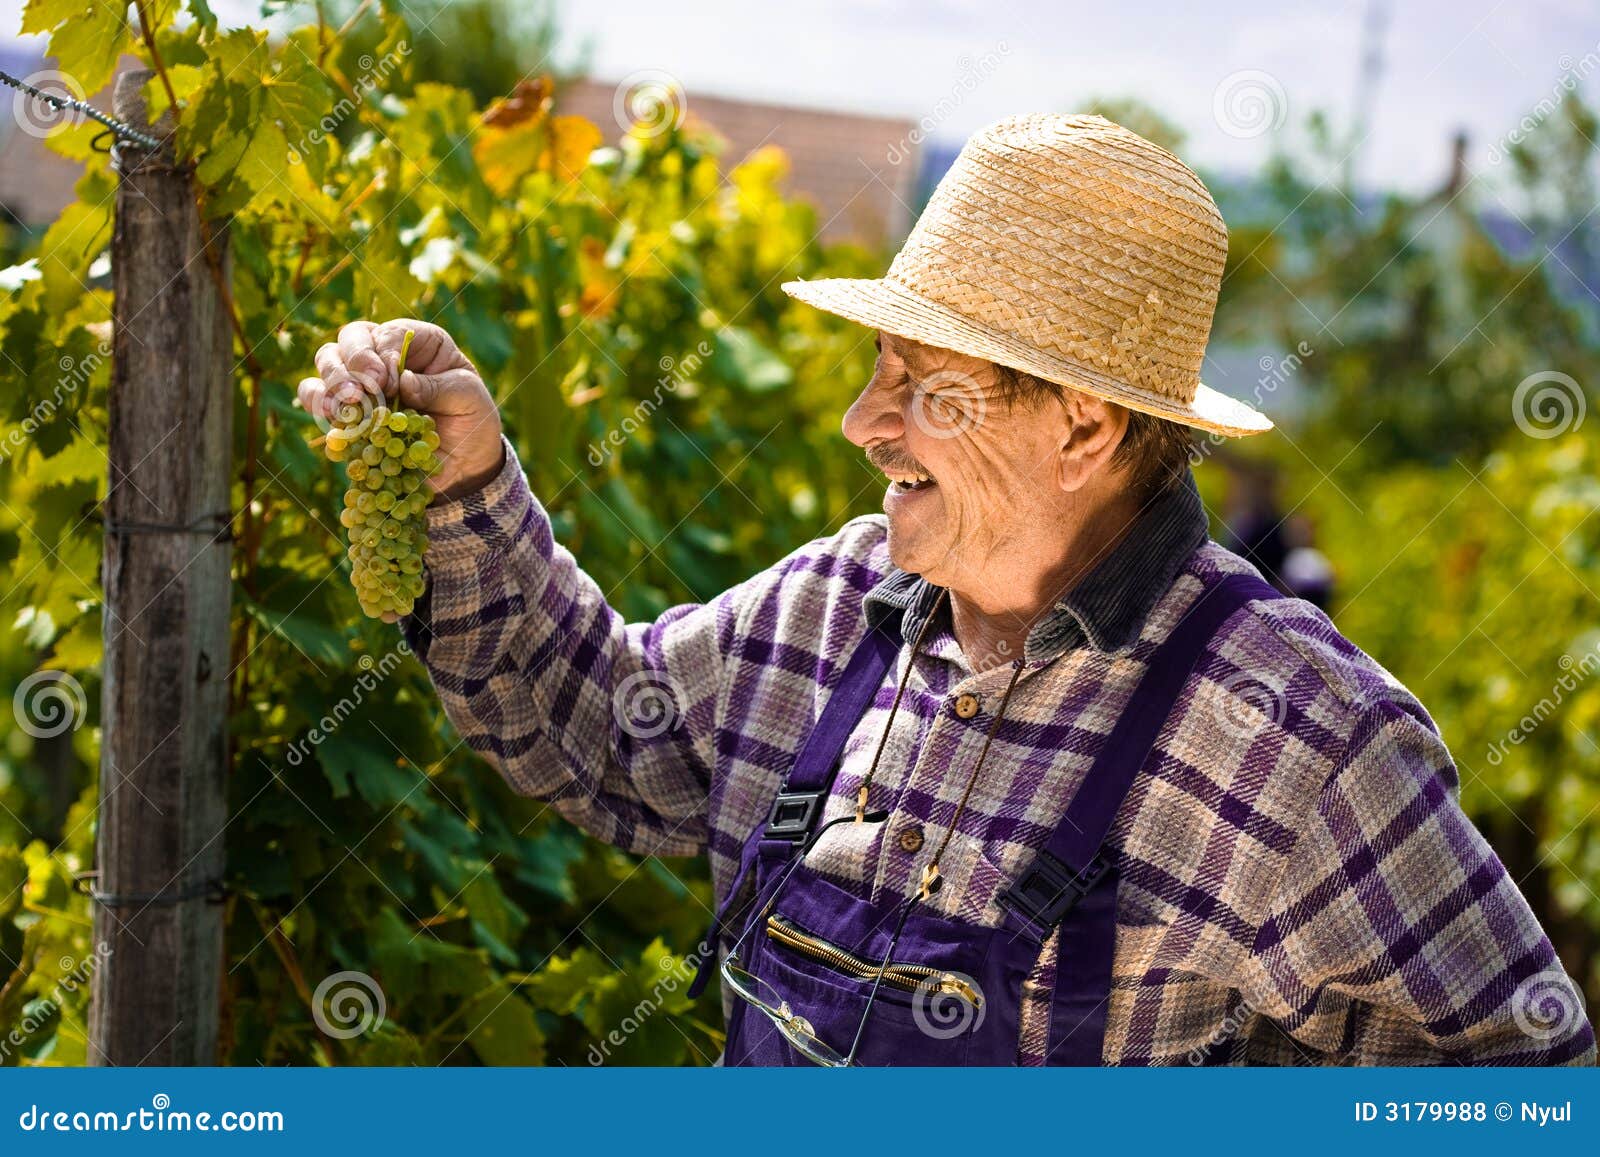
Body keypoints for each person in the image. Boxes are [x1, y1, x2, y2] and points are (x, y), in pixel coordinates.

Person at [300, 114, 1595, 1066]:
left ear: (1082, 426)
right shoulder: (835, 607)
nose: (865, 420)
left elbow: (1523, 1082)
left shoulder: (1301, 742)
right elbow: (600, 724)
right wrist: (471, 488)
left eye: (921, 380)